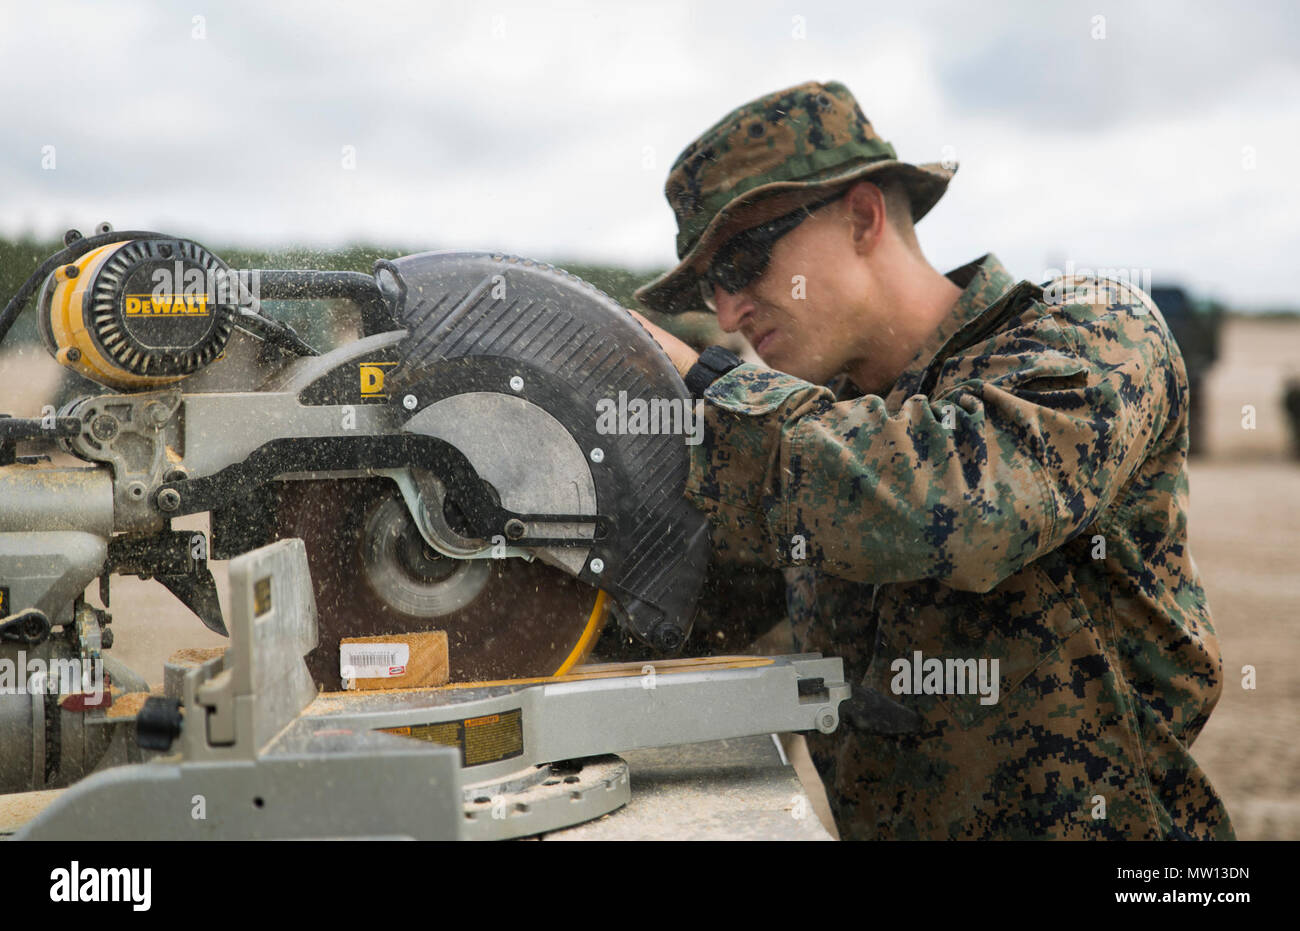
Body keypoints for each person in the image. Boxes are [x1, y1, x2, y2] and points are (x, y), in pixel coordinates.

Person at [628, 79, 1234, 840]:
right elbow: (678, 611)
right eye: (709, 287)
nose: (726, 313)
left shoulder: (1095, 334)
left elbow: (963, 505)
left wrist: (710, 388)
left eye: (745, 260)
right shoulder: (817, 443)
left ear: (862, 216)